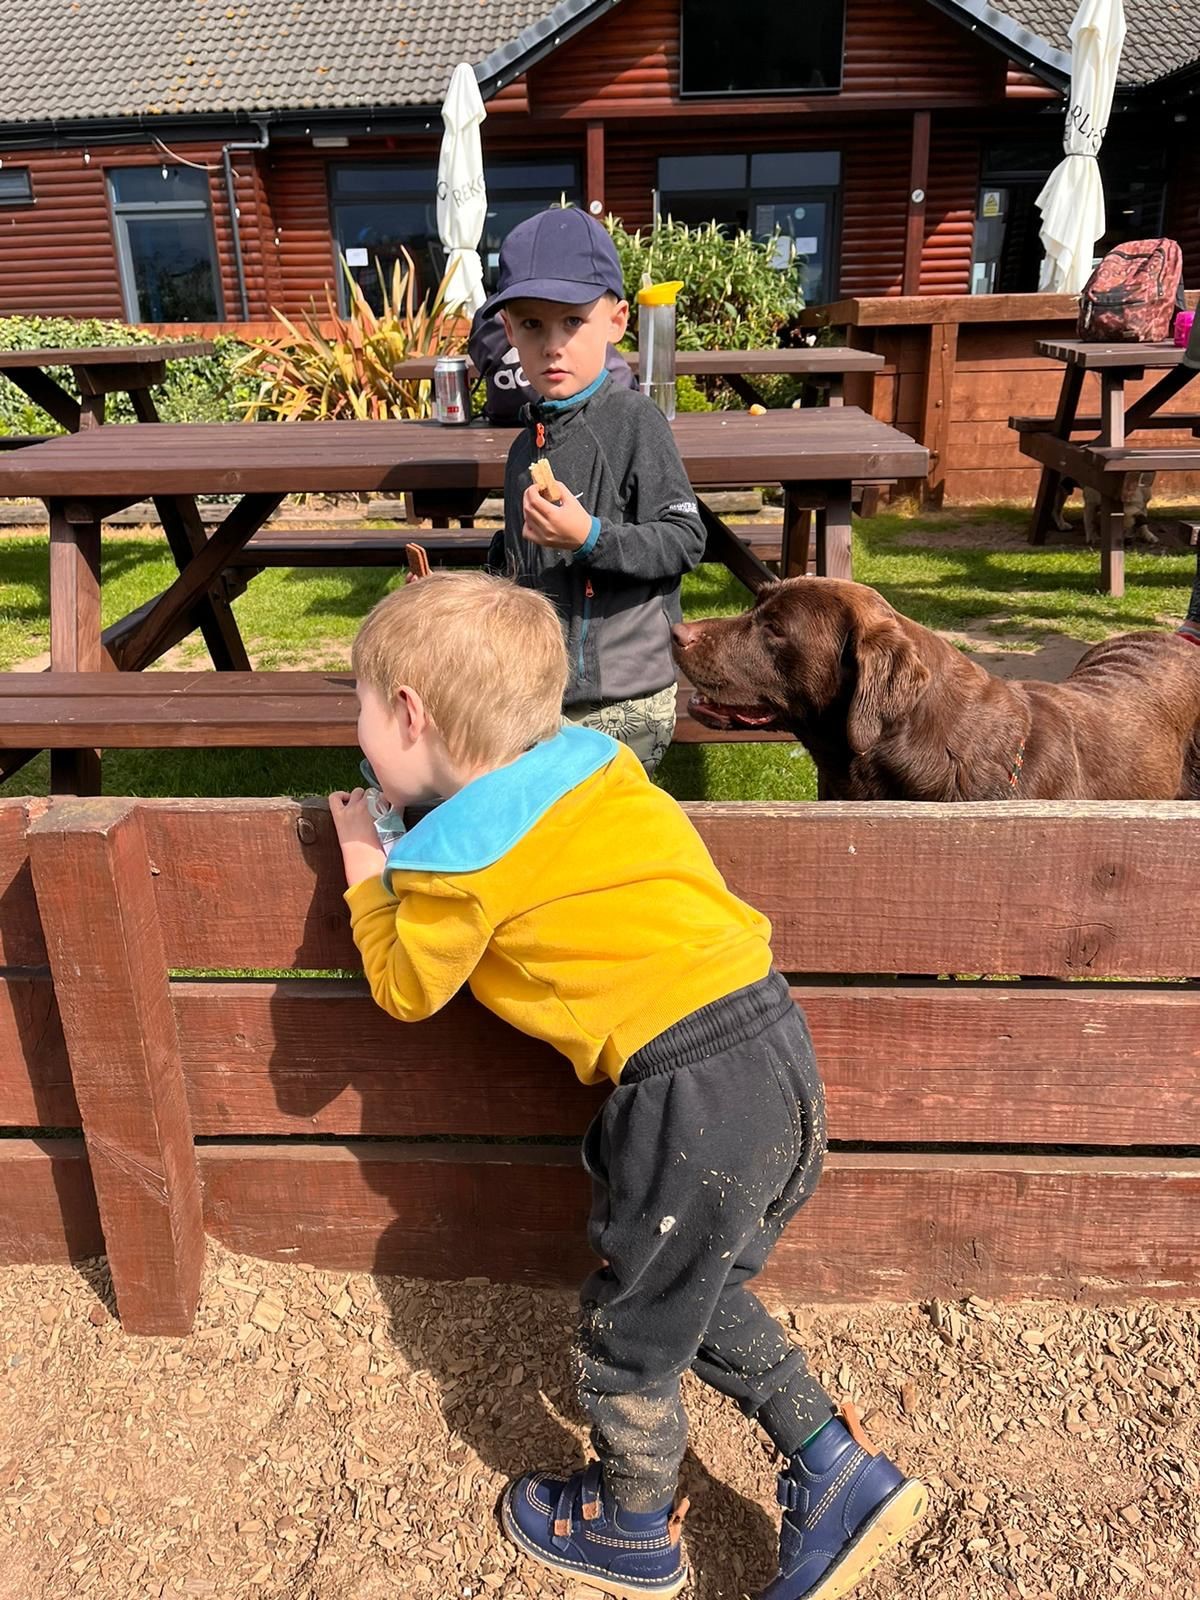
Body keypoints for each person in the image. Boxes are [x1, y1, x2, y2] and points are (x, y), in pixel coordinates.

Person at [328, 571, 927, 1600]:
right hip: (777, 1052)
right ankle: (836, 1465)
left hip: (685, 1096)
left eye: (363, 710)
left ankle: (632, 1523)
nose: (357, 730)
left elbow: (406, 984)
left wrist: (363, 863)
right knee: (698, 1286)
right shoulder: (598, 767)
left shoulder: (461, 859)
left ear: (412, 716)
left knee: (630, 1332)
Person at [481, 207, 707, 777]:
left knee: (584, 820)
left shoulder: (634, 421)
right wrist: (468, 586)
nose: (552, 346)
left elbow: (684, 540)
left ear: (616, 320)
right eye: (531, 325)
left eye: (572, 323)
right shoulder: (524, 447)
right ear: (508, 332)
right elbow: (522, 559)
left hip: (626, 694)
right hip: (541, 689)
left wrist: (591, 539)